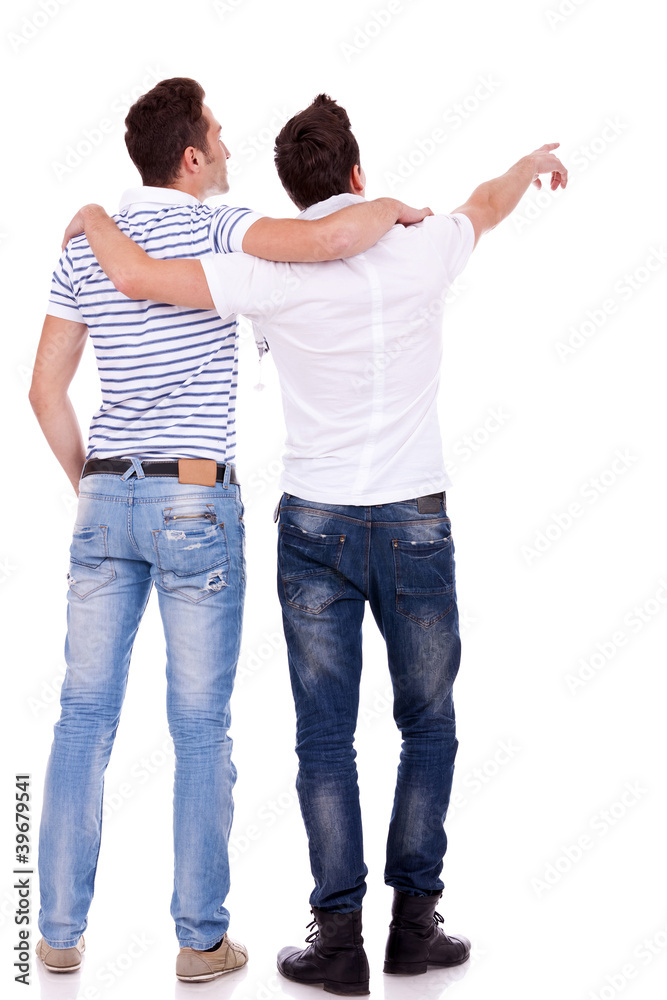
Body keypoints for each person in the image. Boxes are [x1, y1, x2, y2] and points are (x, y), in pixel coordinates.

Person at [67, 93, 567, 996]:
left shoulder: (264, 270)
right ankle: (413, 927)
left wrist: (90, 217)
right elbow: (486, 202)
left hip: (314, 529)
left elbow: (139, 279)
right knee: (430, 724)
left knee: (324, 738)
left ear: (294, 194)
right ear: (359, 174)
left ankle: (337, 942)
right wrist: (530, 164)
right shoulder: (422, 244)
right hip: (414, 521)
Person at [30, 78, 426, 984]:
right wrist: (395, 206)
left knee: (81, 717)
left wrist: (96, 491)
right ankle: (200, 942)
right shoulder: (214, 229)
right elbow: (330, 235)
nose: (229, 146)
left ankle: (54, 934)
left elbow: (43, 394)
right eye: (217, 132)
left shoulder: (86, 247)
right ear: (192, 156)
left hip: (103, 500)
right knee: (200, 724)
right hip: (196, 503)